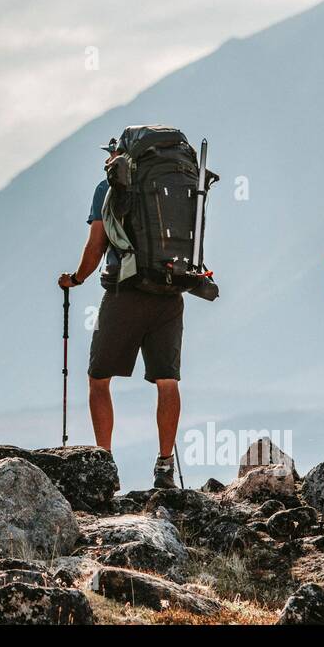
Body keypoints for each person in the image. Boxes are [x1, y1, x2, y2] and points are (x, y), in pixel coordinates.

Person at [59, 138, 184, 489]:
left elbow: (96, 244)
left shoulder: (108, 187)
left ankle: (104, 464)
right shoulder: (175, 184)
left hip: (124, 292)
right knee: (167, 379)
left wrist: (77, 279)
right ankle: (164, 468)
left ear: (121, 156)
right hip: (170, 291)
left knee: (98, 377)